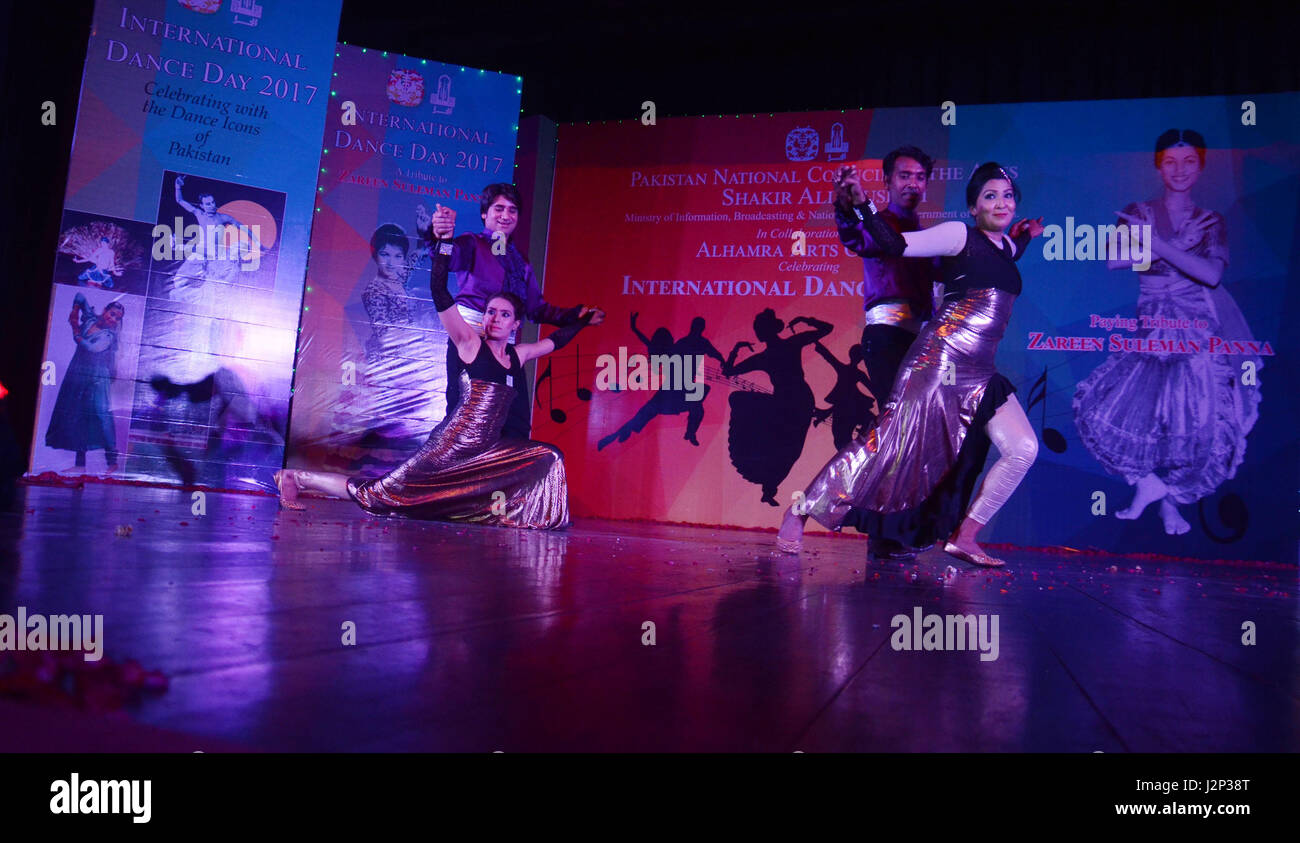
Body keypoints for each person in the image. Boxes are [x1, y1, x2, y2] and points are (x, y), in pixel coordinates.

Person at [776, 163, 1040, 567]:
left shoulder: (1005, 248)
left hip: (979, 372)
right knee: (888, 445)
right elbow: (896, 245)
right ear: (972, 207)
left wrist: (1024, 240)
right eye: (990, 196)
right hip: (938, 362)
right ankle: (802, 509)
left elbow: (1000, 258)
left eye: (1007, 195)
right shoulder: (958, 235)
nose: (1001, 203)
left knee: (1023, 448)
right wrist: (863, 205)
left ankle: (966, 536)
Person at [274, 216, 596, 529]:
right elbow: (441, 292)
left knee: (549, 456)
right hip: (451, 447)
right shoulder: (469, 342)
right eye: (490, 312)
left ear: (515, 324)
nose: (495, 319)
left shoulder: (517, 355)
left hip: (488, 451)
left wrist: (582, 321)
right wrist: (443, 243)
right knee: (379, 495)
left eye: (504, 314)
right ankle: (297, 477)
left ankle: (534, 518)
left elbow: (555, 341)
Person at [1073, 129, 1260, 535]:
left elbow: (1210, 275)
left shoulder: (1211, 221)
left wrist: (1157, 245)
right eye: (1171, 161)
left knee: (1199, 427)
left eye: (1189, 161)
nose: (1179, 169)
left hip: (1196, 330)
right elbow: (1115, 261)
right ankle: (1148, 485)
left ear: (1201, 165)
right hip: (1149, 329)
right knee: (1106, 413)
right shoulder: (1136, 210)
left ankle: (1172, 502)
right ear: (1158, 165)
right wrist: (1169, 247)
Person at [416, 184, 605, 441]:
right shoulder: (473, 243)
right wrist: (438, 234)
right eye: (499, 208)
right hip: (469, 339)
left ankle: (508, 477)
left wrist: (576, 316)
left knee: (512, 421)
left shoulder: (521, 262)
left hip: (506, 348)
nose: (506, 215)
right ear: (485, 214)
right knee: (464, 417)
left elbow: (536, 309)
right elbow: (444, 260)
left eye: (513, 210)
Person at [724, 310, 832, 506]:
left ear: (767, 330)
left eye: (759, 329)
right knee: (781, 444)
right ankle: (769, 488)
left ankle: (769, 488)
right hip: (787, 400)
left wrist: (805, 318)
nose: (758, 333)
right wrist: (736, 349)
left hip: (797, 399)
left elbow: (827, 329)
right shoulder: (774, 351)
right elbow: (728, 372)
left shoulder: (786, 346)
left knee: (789, 446)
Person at [45, 293, 124, 473]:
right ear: (105, 311)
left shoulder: (108, 336)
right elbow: (80, 296)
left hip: (98, 379)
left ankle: (112, 462)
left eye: (116, 318)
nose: (112, 319)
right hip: (80, 375)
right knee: (79, 415)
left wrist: (75, 331)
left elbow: (91, 347)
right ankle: (80, 464)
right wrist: (74, 312)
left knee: (102, 416)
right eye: (111, 314)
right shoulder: (90, 319)